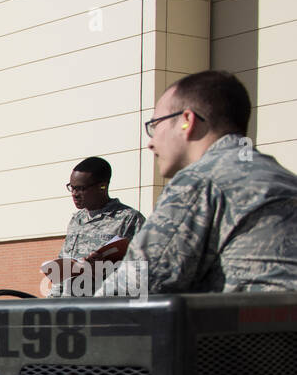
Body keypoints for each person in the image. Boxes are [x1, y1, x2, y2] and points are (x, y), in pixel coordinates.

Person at [101, 70, 297, 297]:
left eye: (155, 125)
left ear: (187, 121)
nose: (151, 143)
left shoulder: (200, 180)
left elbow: (131, 289)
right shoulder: (284, 179)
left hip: (250, 329)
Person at [40, 157, 144, 296]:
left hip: (102, 310)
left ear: (102, 186)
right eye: (72, 187)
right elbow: (62, 274)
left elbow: (142, 274)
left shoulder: (129, 219)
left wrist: (105, 269)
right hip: (70, 309)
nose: (74, 194)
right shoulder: (76, 220)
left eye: (81, 188)